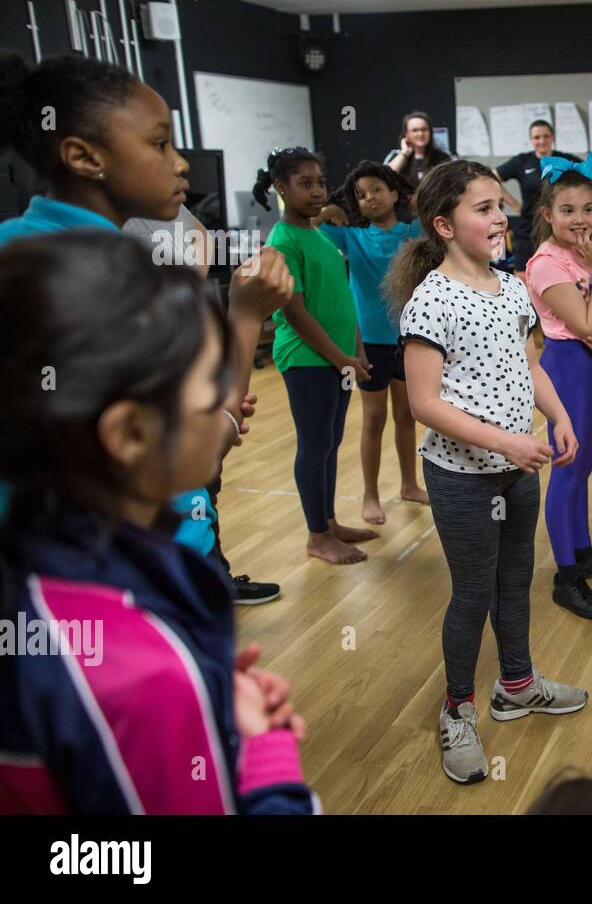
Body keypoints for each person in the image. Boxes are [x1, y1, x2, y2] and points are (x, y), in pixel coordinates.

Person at [0, 231, 314, 814]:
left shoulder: (48, 558)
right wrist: (263, 751)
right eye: (209, 386)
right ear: (131, 434)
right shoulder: (137, 679)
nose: (232, 399)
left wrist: (210, 694)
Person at [0, 52, 292, 604]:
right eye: (159, 145)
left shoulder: (21, 246)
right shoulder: (115, 280)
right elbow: (201, 449)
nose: (180, 164)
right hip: (127, 576)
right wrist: (247, 317)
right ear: (85, 157)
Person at [386, 159, 588, 786]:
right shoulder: (431, 299)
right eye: (483, 208)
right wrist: (508, 441)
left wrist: (556, 416)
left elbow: (530, 368)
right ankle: (456, 709)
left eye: (501, 205)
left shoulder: (514, 288)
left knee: (517, 579)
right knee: (473, 593)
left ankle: (517, 686)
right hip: (462, 477)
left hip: (516, 470)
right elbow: (424, 403)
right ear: (445, 225)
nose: (500, 217)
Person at [254, 148, 379, 565]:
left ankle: (328, 522)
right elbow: (295, 312)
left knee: (330, 443)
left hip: (337, 357)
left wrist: (356, 349)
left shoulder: (319, 234)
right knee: (314, 445)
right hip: (308, 359)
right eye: (304, 183)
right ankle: (316, 536)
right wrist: (340, 358)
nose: (316, 190)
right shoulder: (283, 240)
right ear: (281, 188)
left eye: (320, 182)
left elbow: (343, 298)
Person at [524, 154, 592, 621]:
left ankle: (582, 547)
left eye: (588, 208)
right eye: (567, 210)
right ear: (547, 214)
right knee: (568, 469)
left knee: (584, 465)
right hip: (567, 367)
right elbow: (589, 323)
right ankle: (566, 575)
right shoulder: (547, 265)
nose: (580, 219)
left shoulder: (588, 253)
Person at [314, 160, 428, 525]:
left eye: (377, 190)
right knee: (374, 419)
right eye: (361, 195)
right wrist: (331, 210)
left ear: (394, 193)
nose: (369, 199)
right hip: (369, 344)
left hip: (409, 338)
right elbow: (310, 223)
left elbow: (439, 221)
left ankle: (410, 484)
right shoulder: (350, 236)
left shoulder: (413, 230)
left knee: (407, 416)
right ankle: (370, 494)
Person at [495, 119, 580, 270]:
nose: (542, 141)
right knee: (523, 274)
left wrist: (576, 202)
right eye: (537, 137)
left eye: (546, 136)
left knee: (559, 271)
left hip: (558, 226)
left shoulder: (565, 160)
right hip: (529, 227)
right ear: (531, 140)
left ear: (552, 137)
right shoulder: (522, 161)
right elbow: (491, 176)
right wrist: (514, 204)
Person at [385, 110, 450, 191]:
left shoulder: (442, 158)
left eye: (424, 129)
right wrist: (404, 154)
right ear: (406, 134)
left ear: (430, 132)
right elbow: (385, 177)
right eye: (415, 130)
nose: (420, 134)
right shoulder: (396, 156)